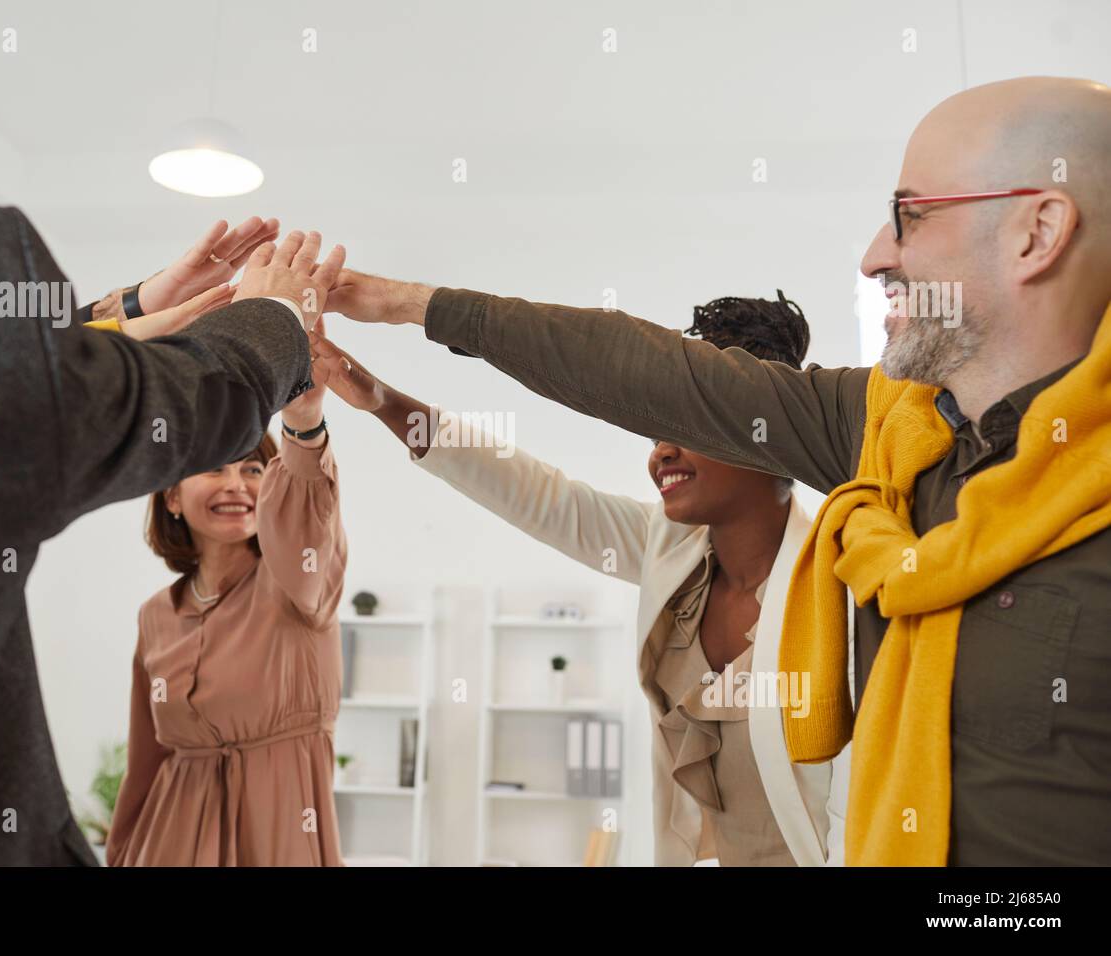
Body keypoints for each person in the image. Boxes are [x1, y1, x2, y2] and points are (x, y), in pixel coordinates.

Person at [324, 77, 1111, 866]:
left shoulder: (841, 553)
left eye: (911, 215)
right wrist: (400, 325)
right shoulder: (886, 436)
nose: (876, 256)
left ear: (1035, 232)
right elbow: (595, 425)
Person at [0, 0, 345, 864]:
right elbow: (13, 385)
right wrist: (276, 319)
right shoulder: (154, 615)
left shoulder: (293, 587)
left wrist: (129, 310)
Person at [314, 294, 850, 865]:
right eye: (653, 431)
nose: (661, 451)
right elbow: (537, 495)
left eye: (685, 424)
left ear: (763, 429)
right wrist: (381, 401)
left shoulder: (840, 580)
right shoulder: (669, 550)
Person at [107, 318, 348, 867]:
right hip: (166, 842)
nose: (237, 485)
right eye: (214, 470)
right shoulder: (155, 616)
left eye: (254, 469)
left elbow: (311, 504)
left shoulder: (301, 585)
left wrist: (305, 426)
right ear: (172, 495)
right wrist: (118, 855)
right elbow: (144, 761)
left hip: (280, 838)